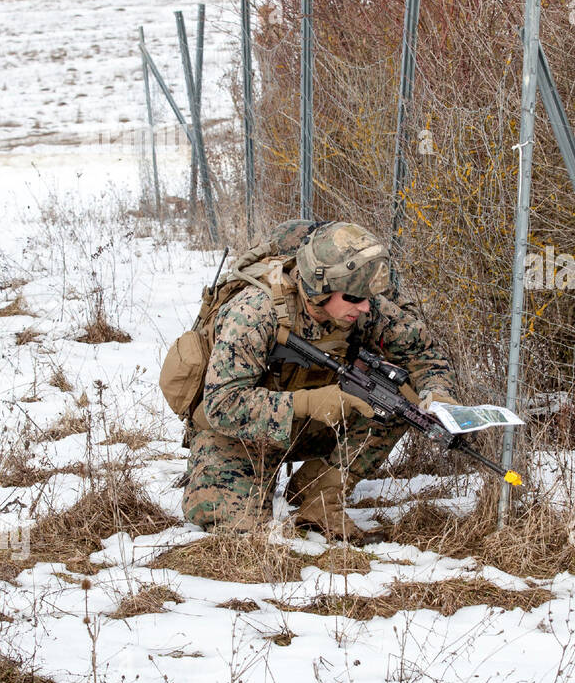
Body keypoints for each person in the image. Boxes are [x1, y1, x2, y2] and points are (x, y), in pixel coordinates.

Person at [181, 219, 458, 541]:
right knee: (239, 530)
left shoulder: (362, 303)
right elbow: (221, 405)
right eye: (354, 298)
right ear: (319, 287)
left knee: (399, 400)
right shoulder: (255, 312)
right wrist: (309, 402)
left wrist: (438, 396)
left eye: (368, 297)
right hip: (240, 434)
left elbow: (422, 352)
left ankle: (318, 496)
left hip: (317, 426)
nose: (366, 306)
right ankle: (242, 481)